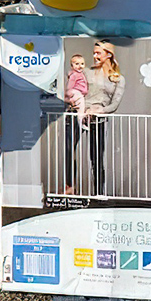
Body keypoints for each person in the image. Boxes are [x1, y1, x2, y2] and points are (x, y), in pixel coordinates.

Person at [65, 41, 125, 196]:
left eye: (98, 53)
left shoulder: (118, 78)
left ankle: (98, 192)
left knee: (96, 156)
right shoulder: (85, 72)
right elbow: (73, 87)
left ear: (109, 54)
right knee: (69, 150)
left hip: (98, 119)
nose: (94, 56)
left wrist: (100, 111)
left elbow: (115, 104)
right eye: (94, 52)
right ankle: (70, 188)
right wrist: (73, 102)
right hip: (78, 114)